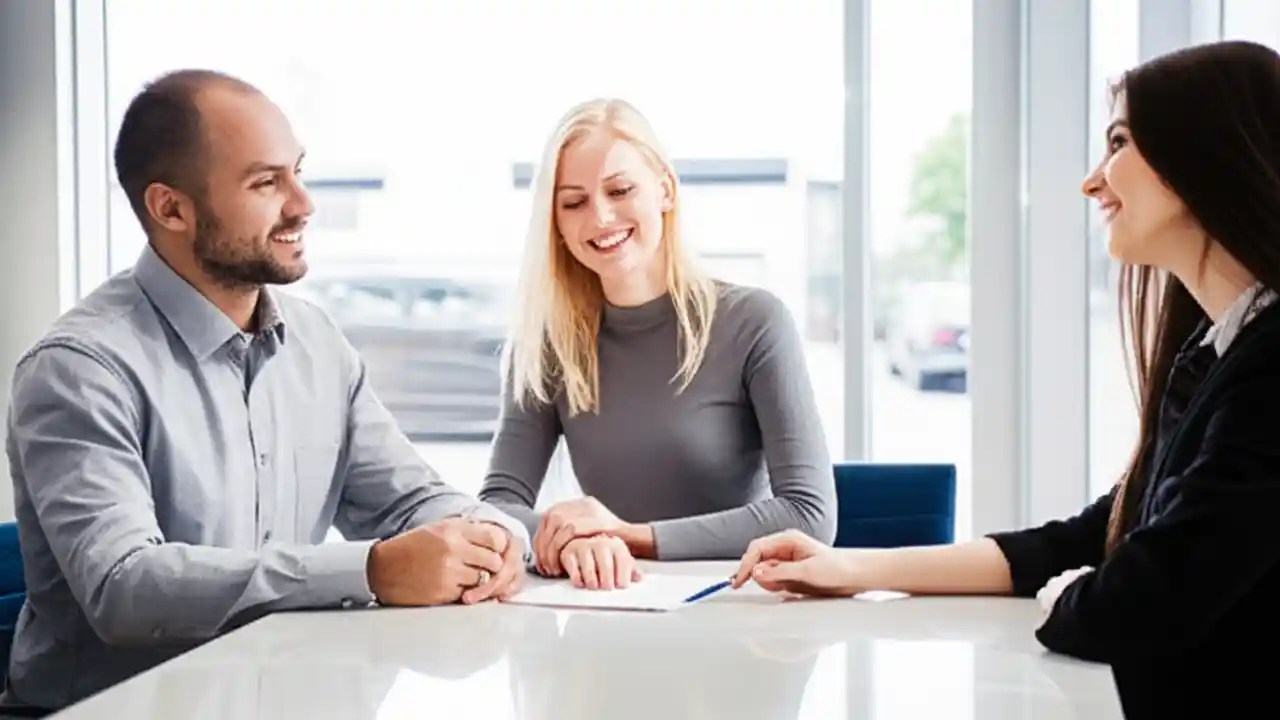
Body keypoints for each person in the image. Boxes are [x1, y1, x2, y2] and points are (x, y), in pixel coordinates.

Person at [732, 40, 1280, 719]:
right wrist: (856, 568)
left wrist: (1069, 595)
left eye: (1118, 143)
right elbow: (1099, 535)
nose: (1092, 180)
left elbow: (1141, 603)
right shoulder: (1216, 352)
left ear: (1202, 153)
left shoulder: (1270, 370)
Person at [3, 69, 528, 712]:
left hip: (278, 696)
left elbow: (409, 500)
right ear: (171, 208)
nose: (304, 204)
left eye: (298, 171)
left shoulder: (315, 342)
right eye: (266, 182)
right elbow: (124, 588)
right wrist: (371, 571)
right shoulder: (79, 370)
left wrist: (491, 538)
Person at [479, 99, 836, 590]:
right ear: (556, 224)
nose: (600, 217)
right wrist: (576, 541)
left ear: (664, 189)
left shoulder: (753, 321)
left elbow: (809, 514)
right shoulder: (549, 344)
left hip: (737, 619)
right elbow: (497, 507)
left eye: (620, 190)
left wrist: (630, 537)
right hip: (610, 613)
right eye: (574, 202)